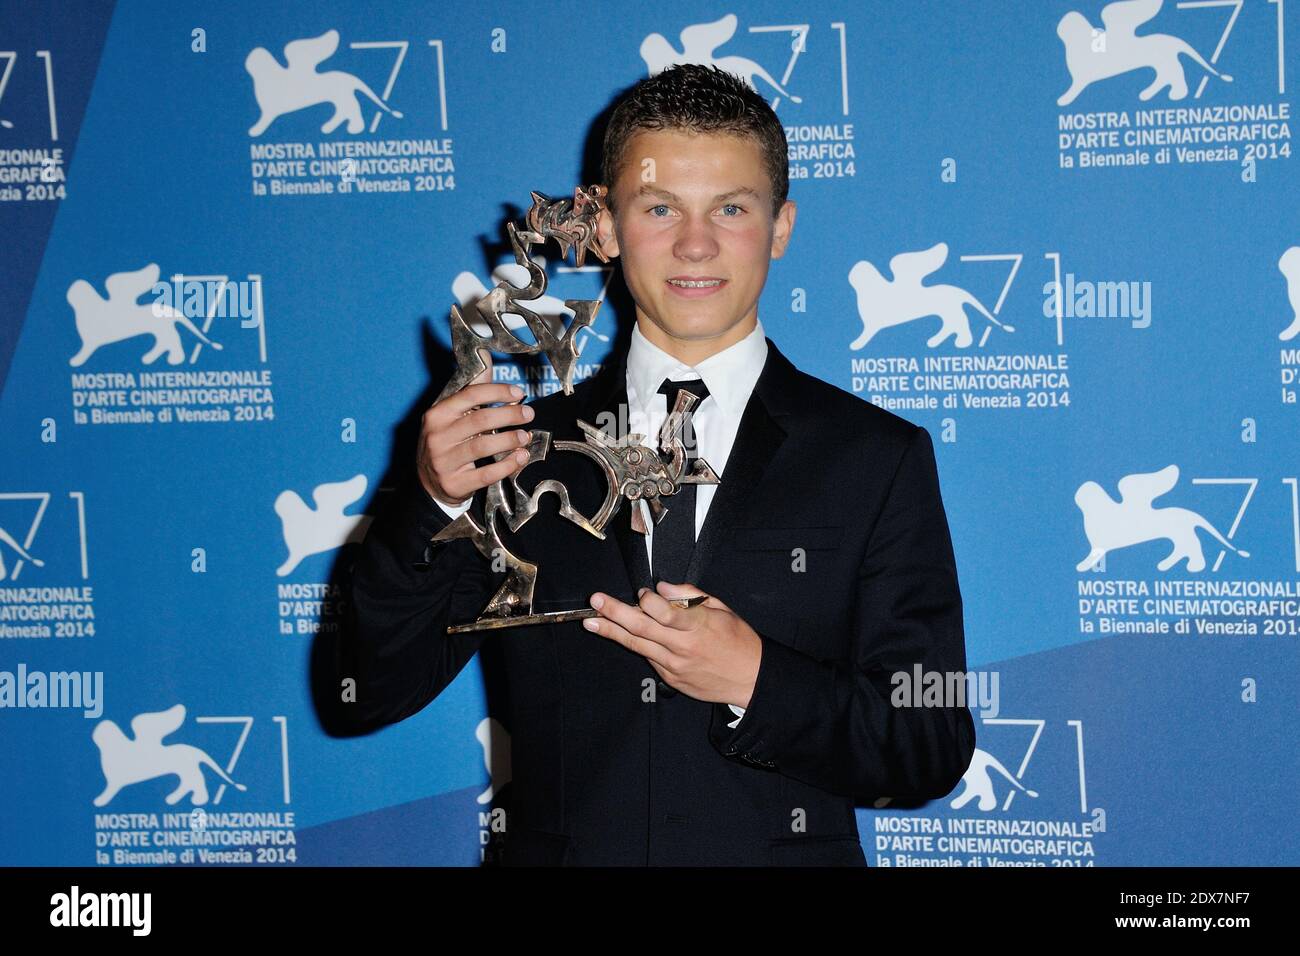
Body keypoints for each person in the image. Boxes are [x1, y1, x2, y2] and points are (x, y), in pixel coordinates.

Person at [348, 63, 976, 866]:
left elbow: (929, 741)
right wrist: (431, 501)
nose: (695, 243)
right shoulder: (512, 449)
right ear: (604, 228)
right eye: (658, 207)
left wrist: (756, 679)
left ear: (782, 226)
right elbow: (369, 692)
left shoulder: (876, 458)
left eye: (732, 208)